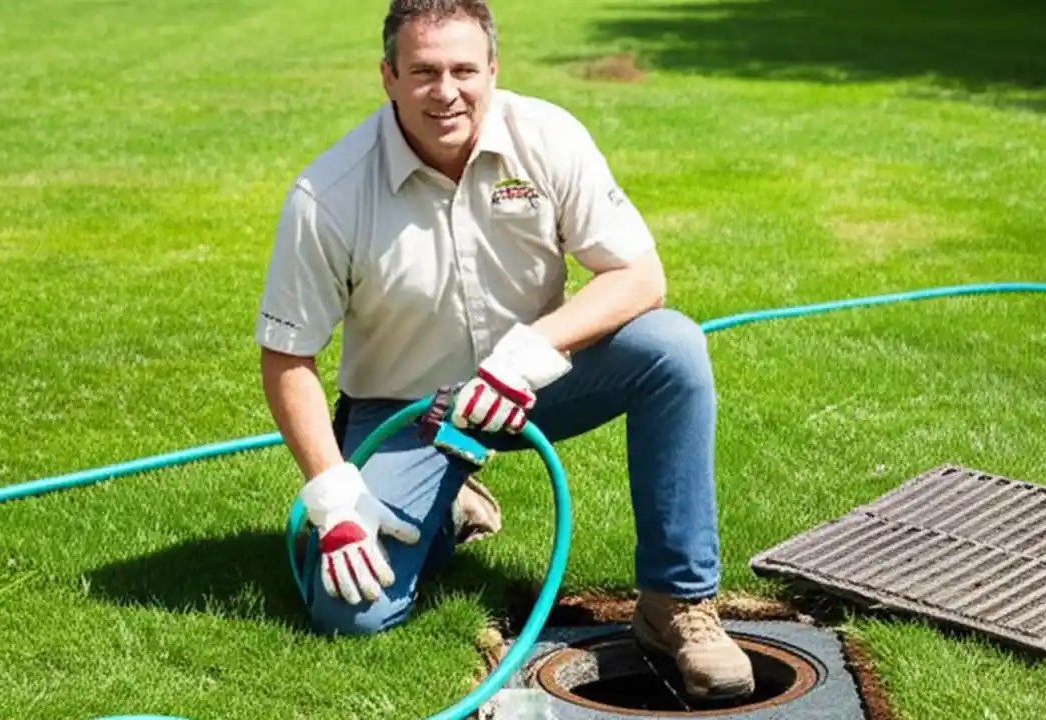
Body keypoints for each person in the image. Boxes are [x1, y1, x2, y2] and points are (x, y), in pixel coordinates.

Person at [254, 0, 754, 700]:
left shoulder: (547, 138)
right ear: (387, 77)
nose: (446, 91)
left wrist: (526, 355)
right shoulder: (329, 195)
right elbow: (287, 359)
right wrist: (333, 497)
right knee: (352, 614)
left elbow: (640, 277)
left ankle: (676, 602)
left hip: (533, 386)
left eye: (464, 69)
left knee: (672, 347)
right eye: (423, 71)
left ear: (493, 70)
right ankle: (445, 509)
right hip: (408, 413)